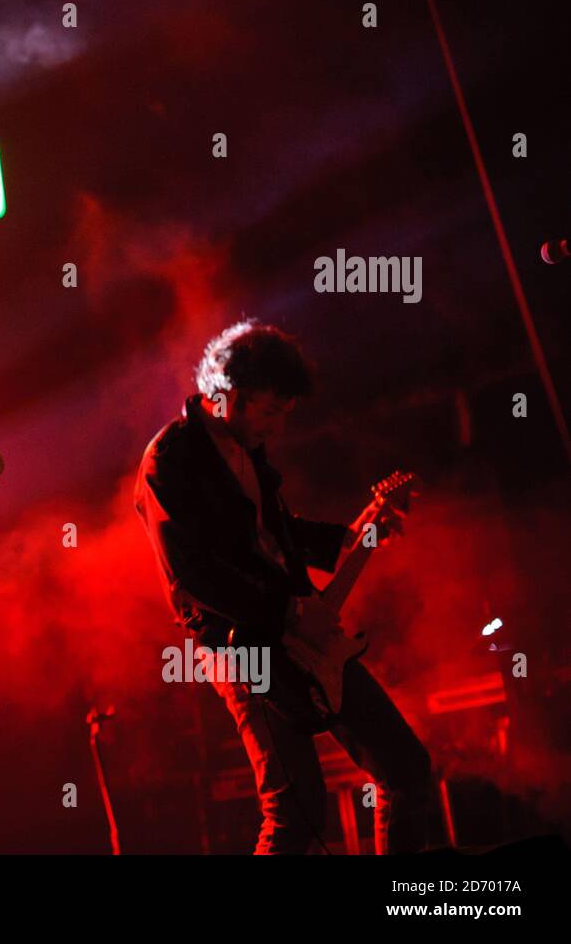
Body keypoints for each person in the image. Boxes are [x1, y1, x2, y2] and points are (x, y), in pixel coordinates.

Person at [134, 319, 435, 854]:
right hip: (241, 650)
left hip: (299, 633)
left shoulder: (245, 445)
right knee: (296, 813)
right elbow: (192, 575)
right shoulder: (169, 461)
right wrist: (288, 612)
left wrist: (347, 537)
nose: (274, 428)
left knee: (406, 769)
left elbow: (273, 531)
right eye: (270, 412)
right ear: (228, 396)